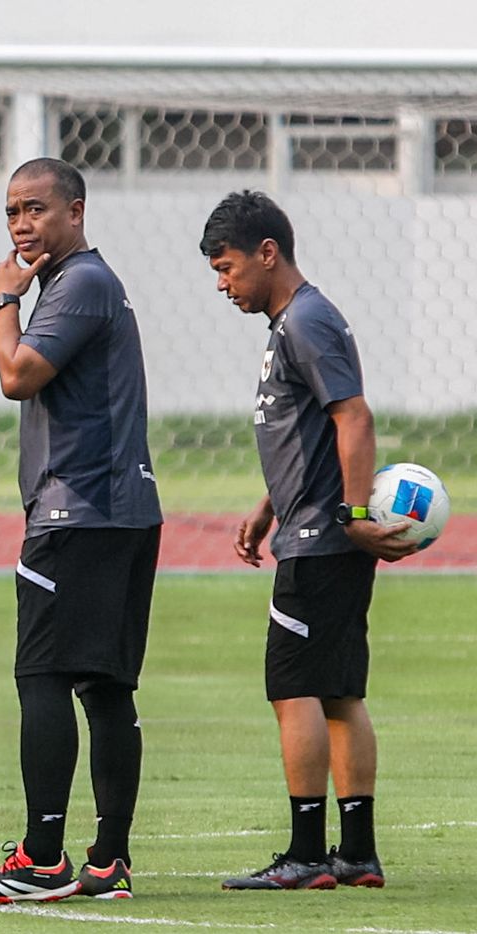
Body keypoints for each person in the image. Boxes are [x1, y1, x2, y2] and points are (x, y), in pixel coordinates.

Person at [0, 158, 162, 904]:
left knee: (42, 675)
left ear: (75, 211)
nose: (21, 224)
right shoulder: (85, 284)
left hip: (78, 513)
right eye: (12, 210)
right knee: (104, 687)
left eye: (36, 209)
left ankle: (42, 859)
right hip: (119, 510)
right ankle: (108, 862)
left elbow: (18, 374)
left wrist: (0, 302)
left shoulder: (78, 283)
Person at [200, 191, 415, 891]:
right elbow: (312, 431)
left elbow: (352, 417)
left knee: (294, 690)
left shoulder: (306, 320)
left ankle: (305, 854)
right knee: (338, 694)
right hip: (313, 528)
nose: (224, 284)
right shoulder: (295, 323)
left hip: (322, 540)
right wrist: (270, 504)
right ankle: (356, 853)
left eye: (228, 268)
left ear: (269, 253)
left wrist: (350, 513)